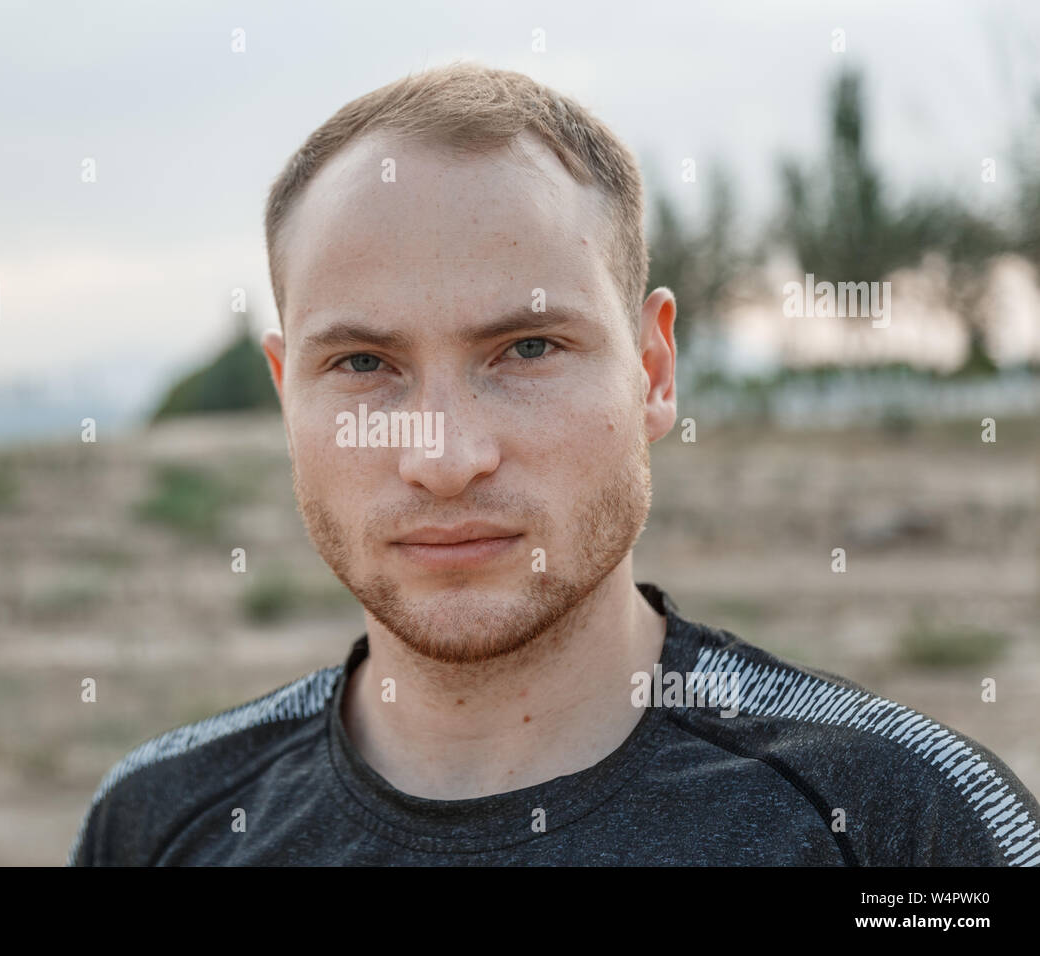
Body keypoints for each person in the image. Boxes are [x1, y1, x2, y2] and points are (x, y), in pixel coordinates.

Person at [69, 62, 1039, 866]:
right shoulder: (155, 828)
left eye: (527, 348)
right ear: (288, 397)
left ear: (654, 369)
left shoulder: (900, 828)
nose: (444, 458)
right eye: (363, 363)